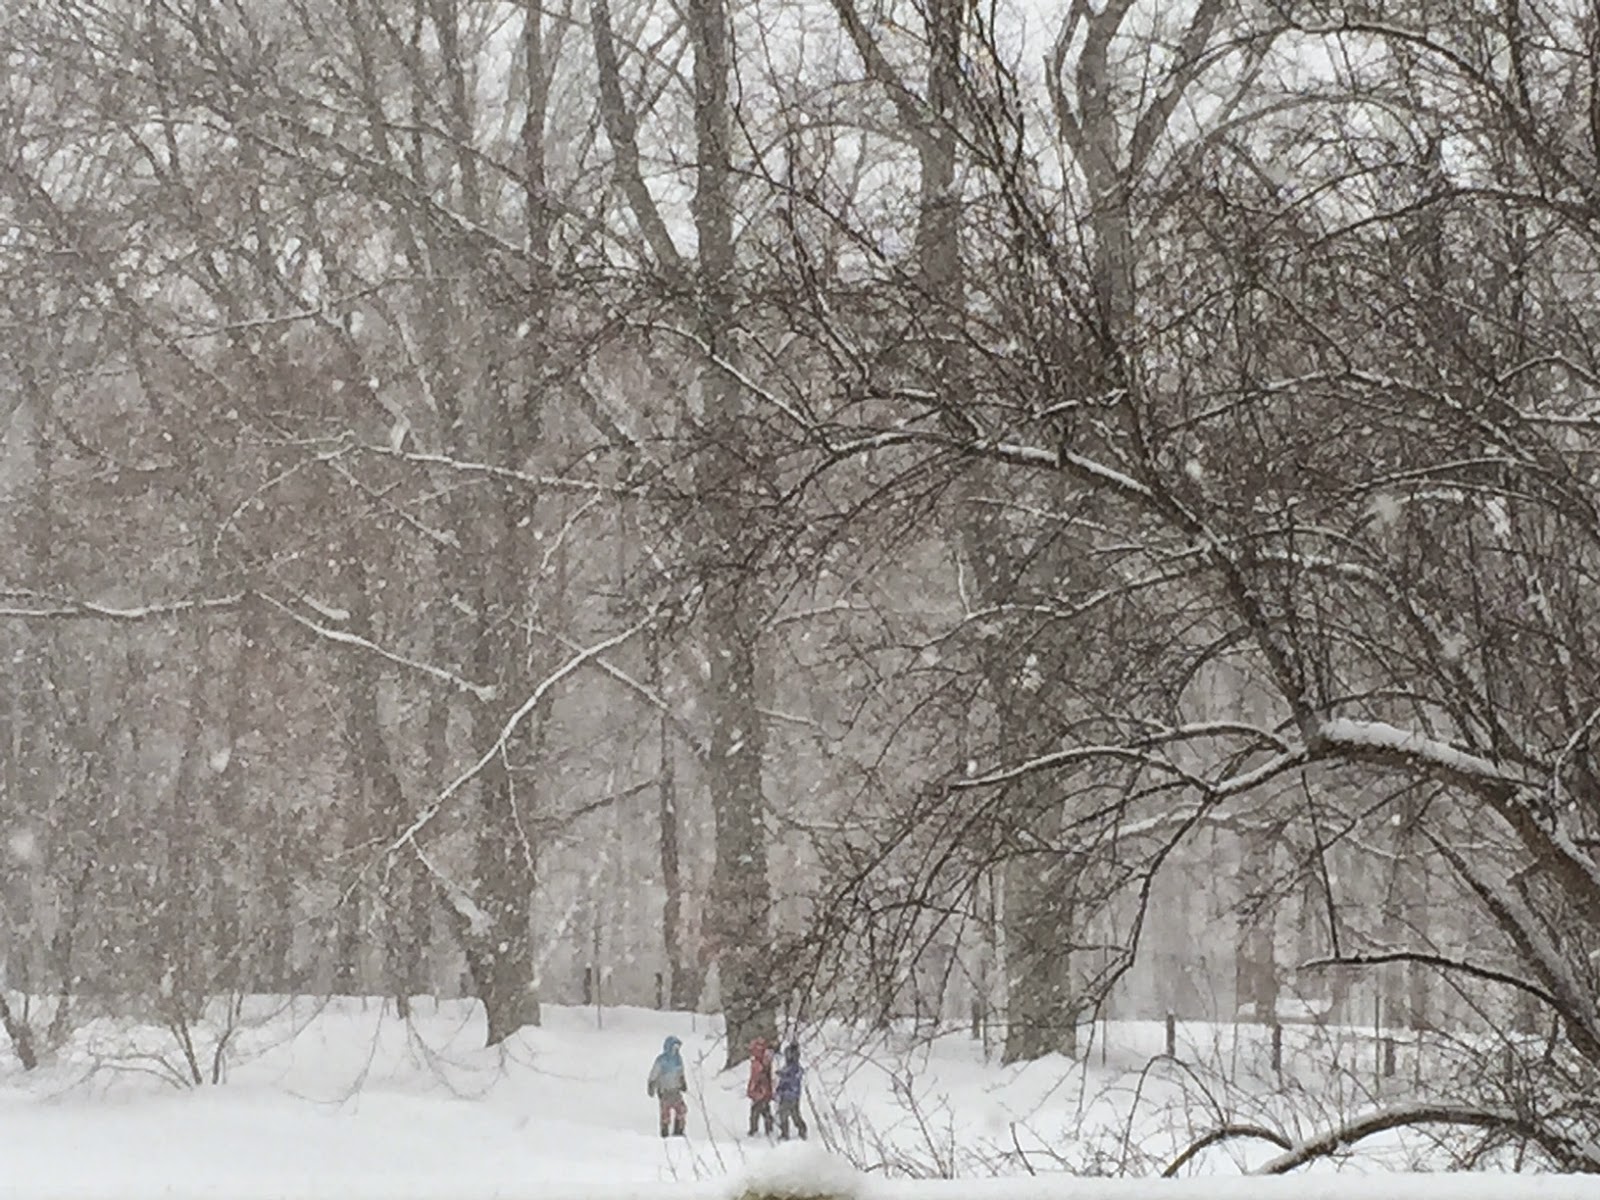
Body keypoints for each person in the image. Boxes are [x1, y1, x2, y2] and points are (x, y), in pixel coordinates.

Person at [647, 1035, 688, 1137]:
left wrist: (683, 1082)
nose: (676, 1050)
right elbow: (654, 1074)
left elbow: (680, 1072)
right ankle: (664, 1132)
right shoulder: (661, 1060)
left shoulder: (678, 1059)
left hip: (676, 1090)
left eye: (677, 1048)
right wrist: (651, 1085)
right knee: (665, 1113)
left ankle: (678, 1131)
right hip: (665, 1091)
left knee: (681, 1109)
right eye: (674, 1047)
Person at [775, 1041, 807, 1140]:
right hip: (786, 1095)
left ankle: (790, 1132)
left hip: (791, 1095)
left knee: (788, 1114)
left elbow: (792, 1080)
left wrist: (783, 1076)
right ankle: (790, 1131)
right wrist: (779, 1090)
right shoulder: (787, 1067)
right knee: (789, 1114)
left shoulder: (795, 1068)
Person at [746, 1036, 775, 1136]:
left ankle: (755, 1130)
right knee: (764, 1109)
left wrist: (753, 1090)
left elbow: (756, 1078)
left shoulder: (758, 1064)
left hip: (760, 1091)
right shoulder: (762, 1061)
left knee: (757, 1110)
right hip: (763, 1090)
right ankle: (768, 1129)